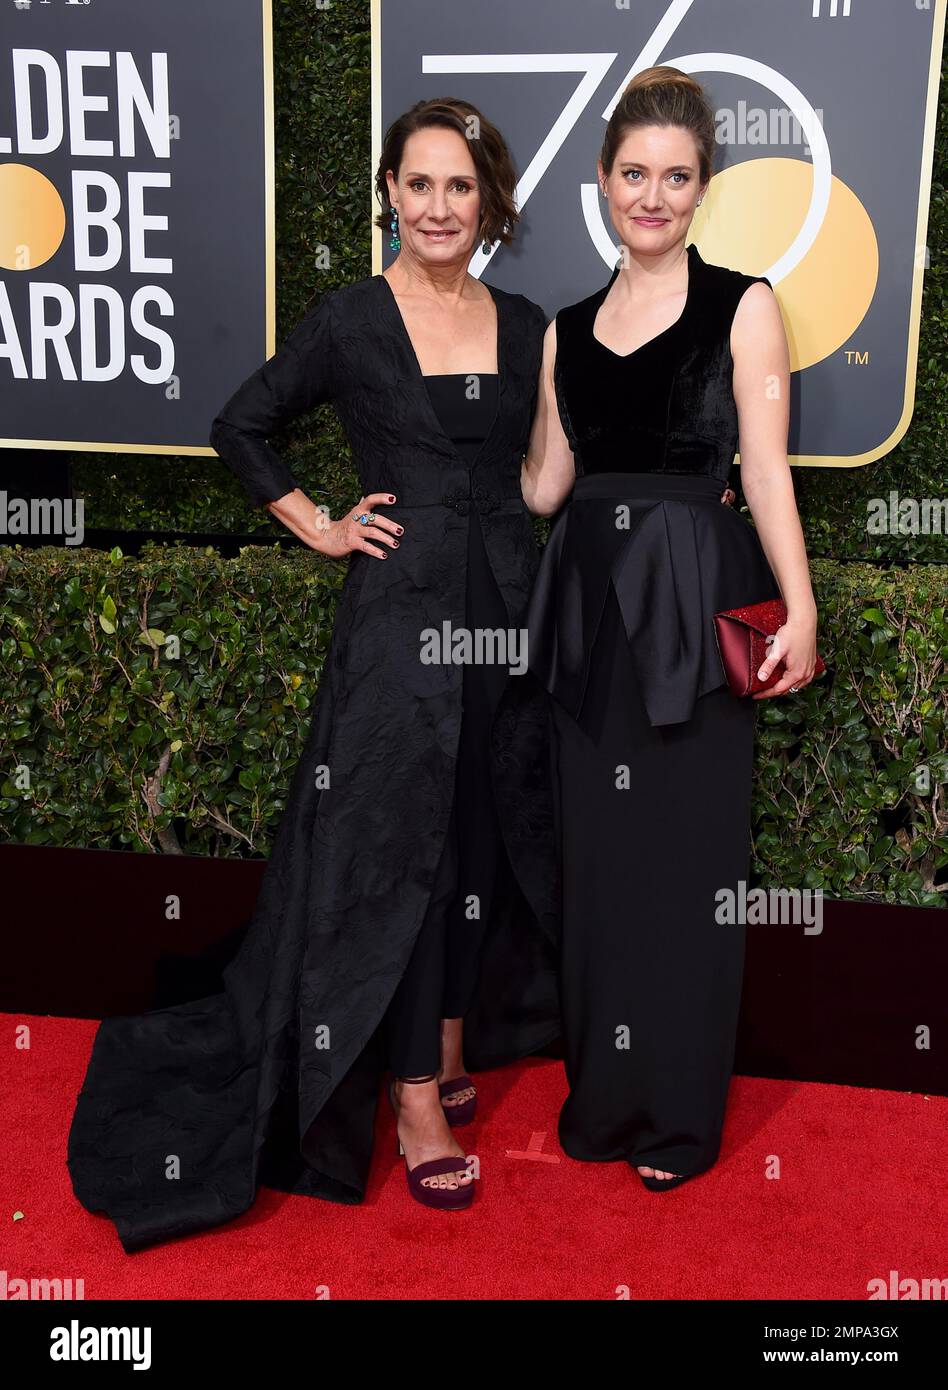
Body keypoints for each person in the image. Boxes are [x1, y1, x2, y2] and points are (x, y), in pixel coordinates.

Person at [66, 97, 564, 1247]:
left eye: (461, 186)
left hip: (504, 609)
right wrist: (318, 524)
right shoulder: (351, 319)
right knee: (404, 843)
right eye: (419, 184)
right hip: (396, 620)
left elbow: (550, 468)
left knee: (486, 827)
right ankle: (403, 1101)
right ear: (389, 192)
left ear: (488, 201)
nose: (440, 206)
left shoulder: (527, 320)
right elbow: (240, 423)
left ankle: (444, 1040)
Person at [521, 67, 820, 1191]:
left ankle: (680, 1119)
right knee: (599, 866)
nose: (652, 194)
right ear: (602, 181)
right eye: (633, 173)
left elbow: (765, 465)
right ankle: (603, 1099)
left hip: (694, 602)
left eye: (676, 177)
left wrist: (800, 602)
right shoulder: (562, 332)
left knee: (687, 865)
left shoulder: (745, 304)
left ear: (704, 189)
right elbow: (548, 486)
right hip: (591, 609)